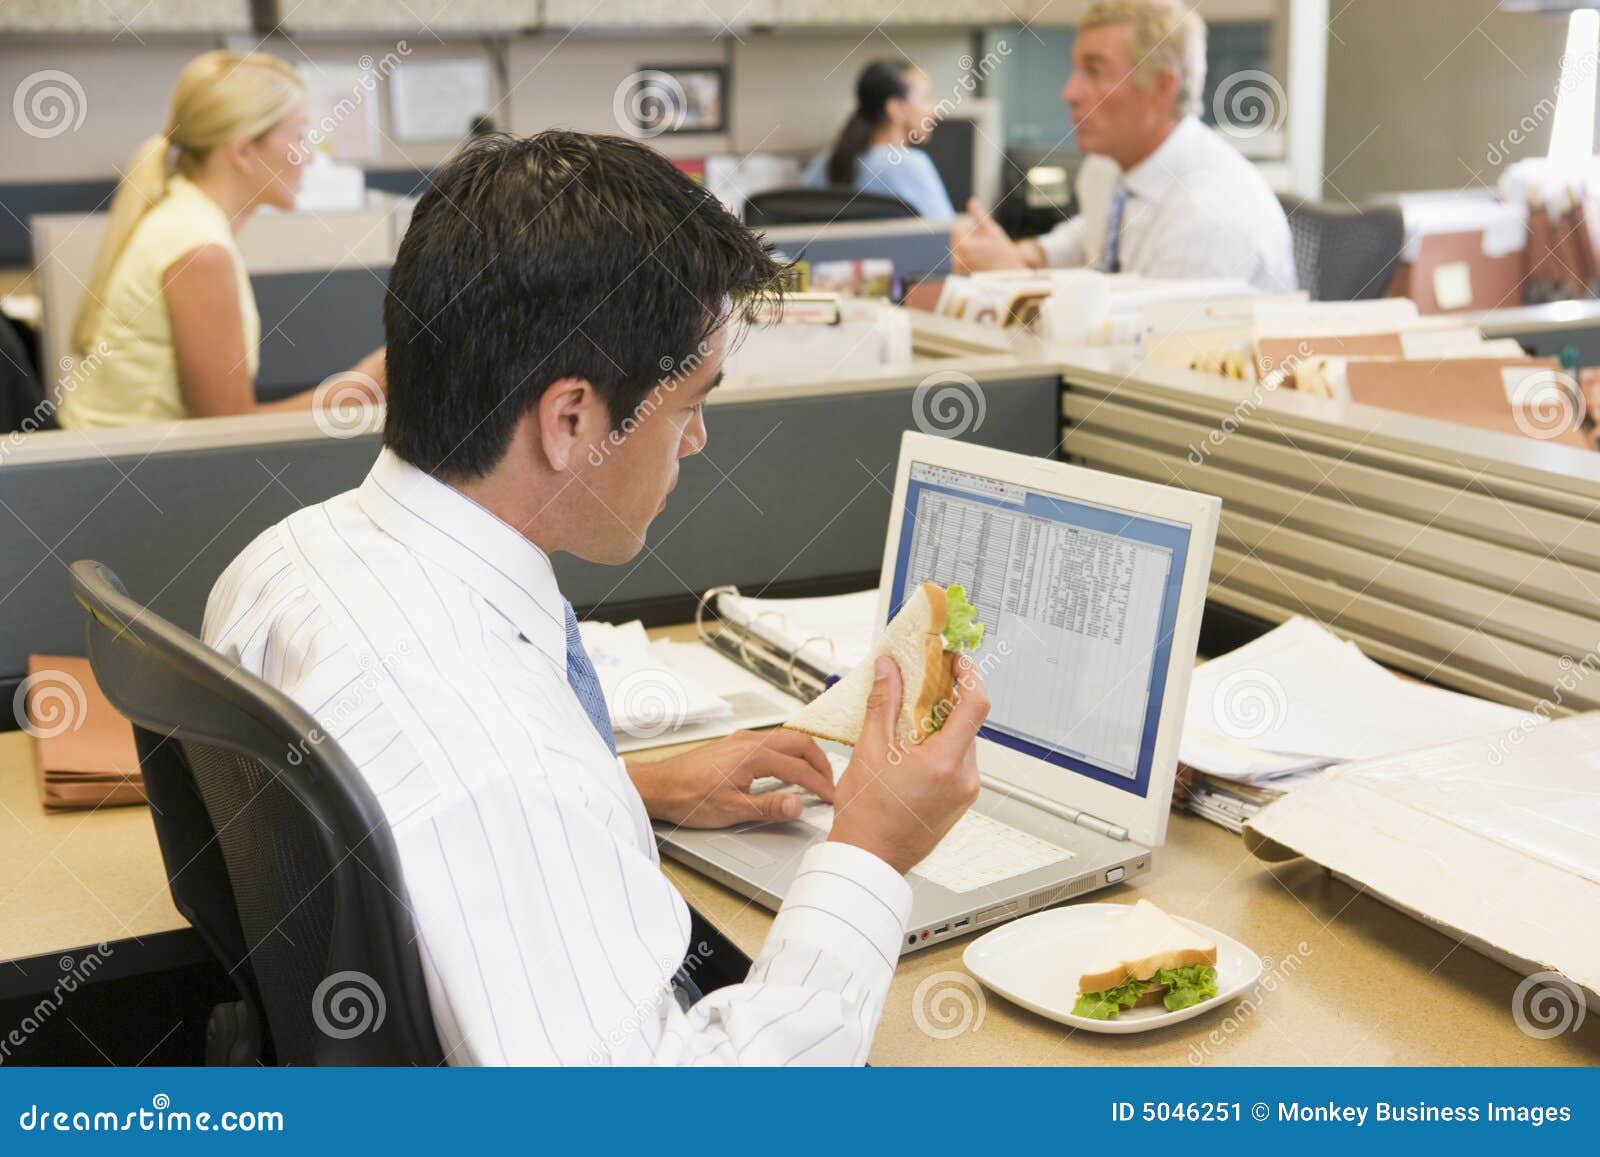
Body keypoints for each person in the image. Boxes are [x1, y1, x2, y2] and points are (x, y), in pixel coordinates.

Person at [202, 131, 989, 1065]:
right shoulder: (501, 768)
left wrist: (624, 786)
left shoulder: (286, 560)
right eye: (691, 401)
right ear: (572, 419)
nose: (696, 442)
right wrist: (869, 846)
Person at [59, 52, 384, 430]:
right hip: (124, 475)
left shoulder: (183, 214)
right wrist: (362, 386)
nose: (309, 157)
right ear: (243, 152)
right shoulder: (199, 251)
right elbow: (229, 430)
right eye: (298, 136)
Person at [952, 0, 1296, 292]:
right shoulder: (1108, 166)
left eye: (1095, 71)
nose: (1069, 92)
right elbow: (1094, 231)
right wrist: (1034, 254)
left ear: (1162, 87)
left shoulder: (1208, 212)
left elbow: (1143, 352)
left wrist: (1017, 281)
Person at [802, 59, 956, 219]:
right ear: (895, 108)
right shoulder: (909, 165)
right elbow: (948, 237)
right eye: (926, 98)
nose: (933, 109)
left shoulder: (824, 163)